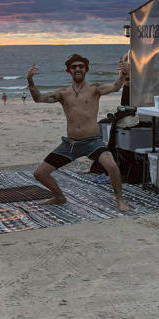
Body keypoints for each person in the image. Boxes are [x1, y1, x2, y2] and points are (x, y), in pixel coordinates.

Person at [26, 53, 130, 210]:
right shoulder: (63, 93)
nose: (77, 69)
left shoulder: (95, 89)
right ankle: (59, 197)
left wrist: (124, 74)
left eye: (81, 66)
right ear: (68, 71)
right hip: (70, 144)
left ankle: (120, 200)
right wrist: (30, 81)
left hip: (93, 142)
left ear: (86, 69)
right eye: (73, 67)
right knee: (40, 174)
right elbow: (38, 98)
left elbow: (115, 87)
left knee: (112, 166)